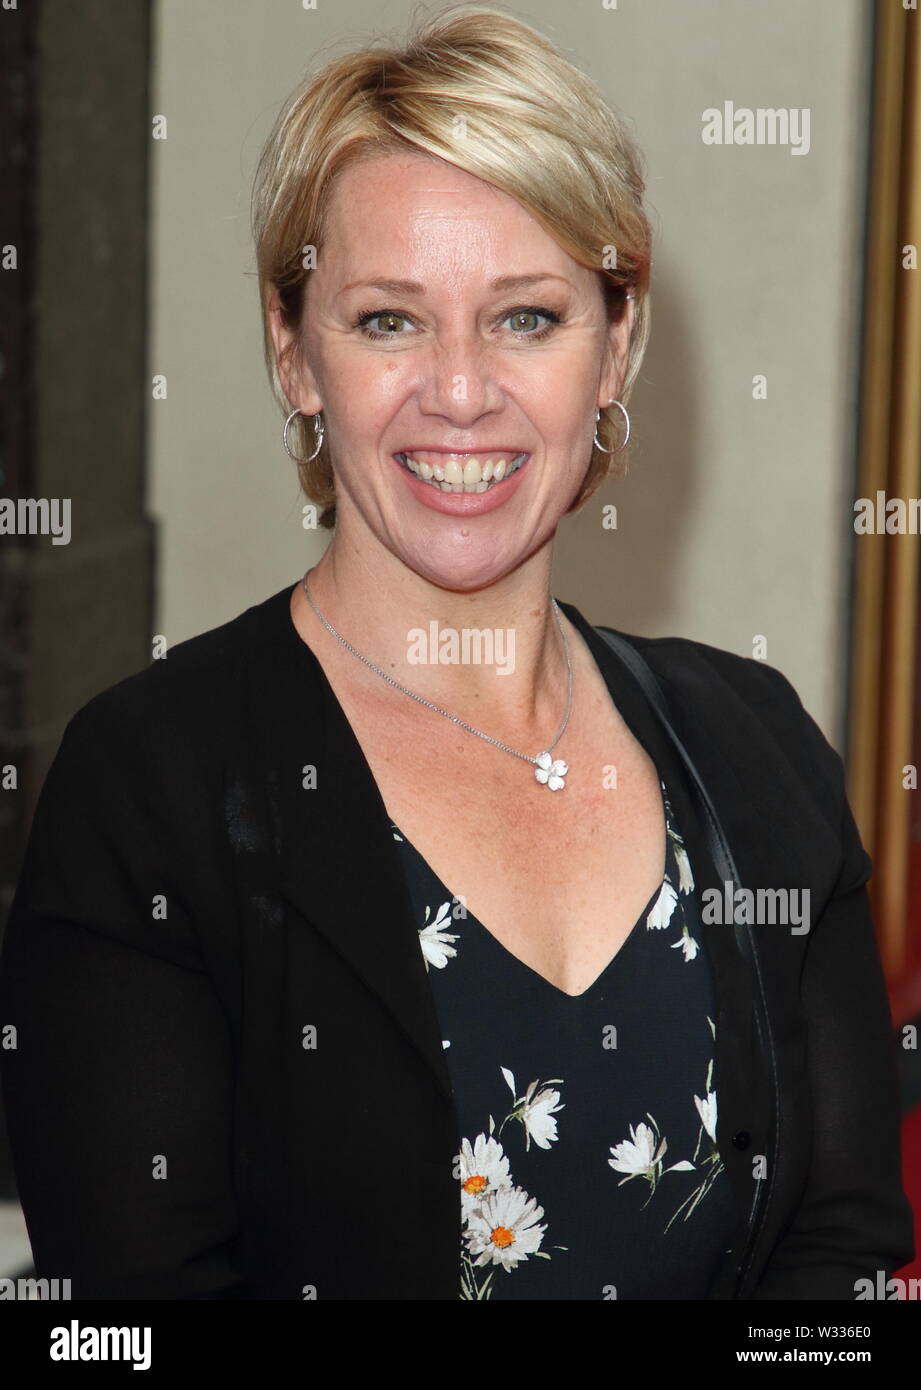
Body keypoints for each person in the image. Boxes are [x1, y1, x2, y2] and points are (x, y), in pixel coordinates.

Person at [0, 6, 913, 1301]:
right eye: (387, 321)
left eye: (526, 317)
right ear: (292, 351)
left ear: (618, 342)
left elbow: (837, 1260)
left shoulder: (754, 747)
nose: (462, 391)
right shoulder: (149, 791)